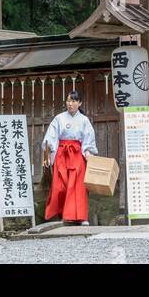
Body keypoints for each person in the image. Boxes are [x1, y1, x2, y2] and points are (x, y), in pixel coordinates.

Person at [42, 89, 97, 224]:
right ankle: (63, 213)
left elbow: (88, 138)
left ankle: (81, 217)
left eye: (73, 101)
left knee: (78, 186)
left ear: (79, 103)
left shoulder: (84, 120)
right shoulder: (59, 118)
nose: (70, 104)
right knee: (60, 186)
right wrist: (47, 156)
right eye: (68, 101)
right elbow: (50, 138)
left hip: (77, 154)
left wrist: (88, 152)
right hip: (61, 153)